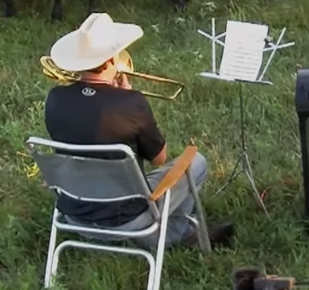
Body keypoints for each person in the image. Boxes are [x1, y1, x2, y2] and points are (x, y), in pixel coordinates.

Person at [43, 13, 235, 248]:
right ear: (111, 58)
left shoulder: (54, 98)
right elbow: (159, 159)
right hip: (126, 219)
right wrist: (127, 98)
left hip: (74, 214)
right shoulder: (132, 103)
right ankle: (178, 233)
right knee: (196, 162)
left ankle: (159, 231)